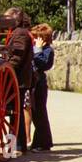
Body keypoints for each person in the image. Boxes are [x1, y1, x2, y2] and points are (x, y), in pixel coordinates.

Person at [0, 7, 35, 158]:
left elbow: (16, 58)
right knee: (15, 113)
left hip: (18, 80)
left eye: (7, 17)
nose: (5, 20)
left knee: (15, 113)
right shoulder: (17, 32)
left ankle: (17, 146)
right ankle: (15, 146)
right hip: (17, 79)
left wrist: (3, 68)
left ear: (16, 17)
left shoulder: (20, 33)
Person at [29, 23, 55, 151]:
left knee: (40, 113)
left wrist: (38, 50)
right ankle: (39, 142)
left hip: (40, 85)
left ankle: (43, 143)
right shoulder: (36, 48)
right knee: (36, 114)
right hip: (34, 83)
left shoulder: (47, 51)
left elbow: (44, 64)